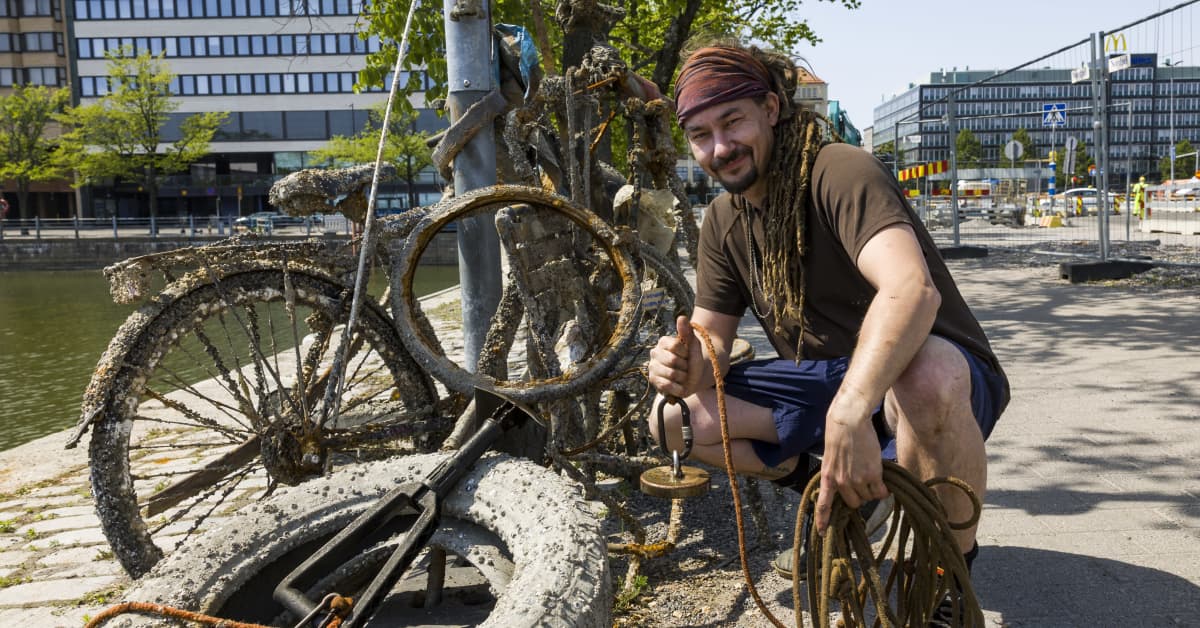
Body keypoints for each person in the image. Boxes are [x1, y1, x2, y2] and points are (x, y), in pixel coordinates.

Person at [646, 41, 1009, 623]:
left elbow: (910, 290)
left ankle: (948, 572)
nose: (720, 148)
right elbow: (712, 336)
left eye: (733, 121)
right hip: (827, 382)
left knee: (926, 377)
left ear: (770, 107)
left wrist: (848, 410)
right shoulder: (722, 219)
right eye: (701, 134)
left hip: (928, 370)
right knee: (673, 420)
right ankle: (835, 489)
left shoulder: (838, 169)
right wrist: (685, 361)